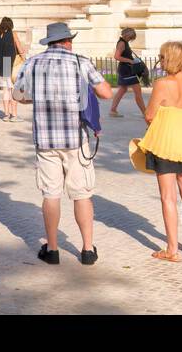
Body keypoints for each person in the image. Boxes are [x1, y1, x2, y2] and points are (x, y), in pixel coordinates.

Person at [12, 21, 112, 266]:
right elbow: (106, 93)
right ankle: (88, 249)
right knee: (82, 195)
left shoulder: (33, 63)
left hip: (45, 140)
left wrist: (37, 100)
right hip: (75, 139)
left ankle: (53, 249)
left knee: (51, 194)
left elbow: (18, 95)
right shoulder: (80, 61)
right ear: (68, 41)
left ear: (49, 42)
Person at [134, 41, 182, 262]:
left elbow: (149, 114)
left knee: (168, 198)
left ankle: (172, 249)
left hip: (166, 144)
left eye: (162, 57)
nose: (160, 61)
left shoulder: (163, 83)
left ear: (171, 59)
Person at [109, 27, 147, 119]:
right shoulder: (122, 43)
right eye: (131, 38)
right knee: (137, 91)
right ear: (127, 35)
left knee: (122, 90)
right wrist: (130, 61)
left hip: (125, 70)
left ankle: (113, 110)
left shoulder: (123, 42)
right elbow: (116, 56)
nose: (131, 39)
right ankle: (145, 112)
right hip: (127, 70)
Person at [0, 18, 23, 121]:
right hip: (9, 63)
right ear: (11, 25)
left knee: (5, 91)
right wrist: (24, 59)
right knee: (13, 91)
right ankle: (14, 115)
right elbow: (20, 49)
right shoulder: (13, 34)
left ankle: (6, 115)